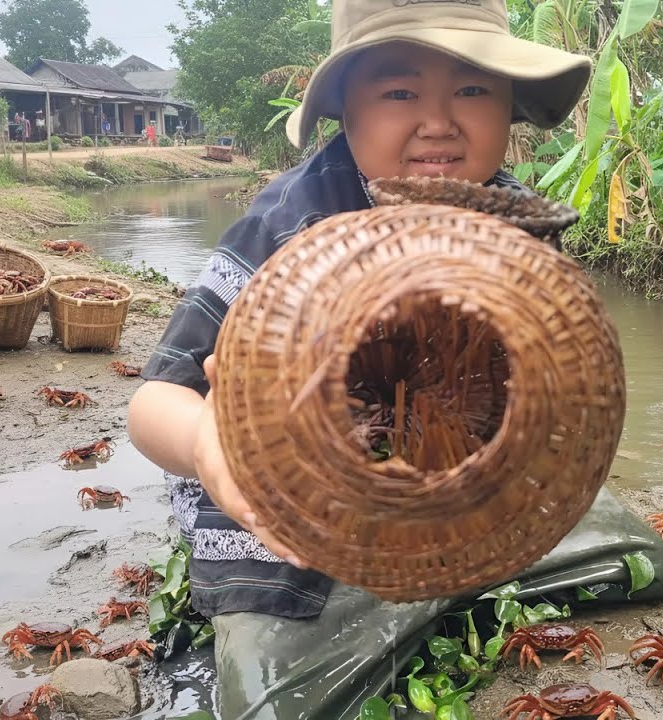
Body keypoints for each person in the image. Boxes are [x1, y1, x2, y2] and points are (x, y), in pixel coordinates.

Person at [127, 0, 591, 706]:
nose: (437, 121)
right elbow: (154, 400)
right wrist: (206, 446)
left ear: (511, 106)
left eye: (471, 89)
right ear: (345, 110)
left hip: (446, 496)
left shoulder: (520, 226)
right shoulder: (291, 225)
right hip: (287, 531)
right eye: (400, 92)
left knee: (637, 558)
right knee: (271, 697)